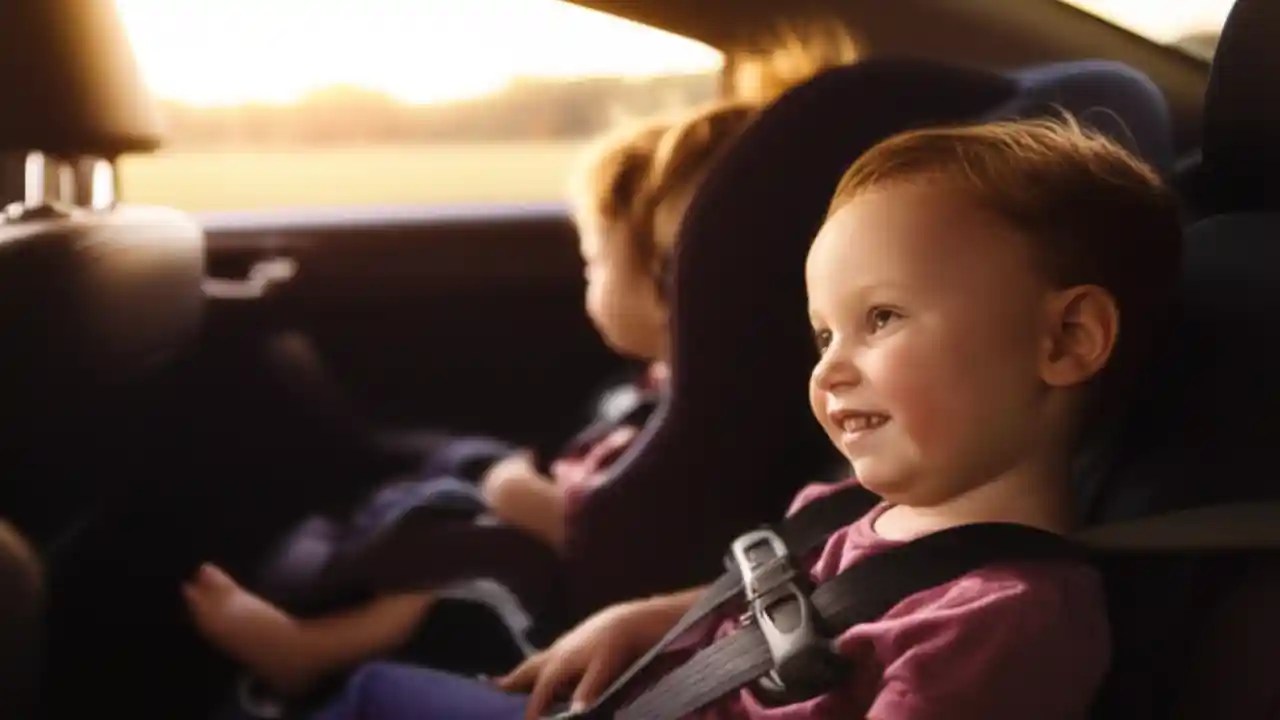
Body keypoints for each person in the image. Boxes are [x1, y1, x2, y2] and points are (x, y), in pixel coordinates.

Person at [308, 116, 1183, 720]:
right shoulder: (852, 511)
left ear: (1066, 339)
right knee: (375, 691)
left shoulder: (1008, 622)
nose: (831, 367)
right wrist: (643, 620)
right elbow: (770, 612)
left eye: (882, 319)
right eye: (824, 332)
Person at [182, 99, 759, 698]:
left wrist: (513, 489)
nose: (586, 278)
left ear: (673, 281)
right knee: (452, 492)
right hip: (575, 549)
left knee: (481, 557)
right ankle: (335, 573)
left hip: (587, 590)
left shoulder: (703, 418)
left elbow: (610, 538)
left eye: (594, 263)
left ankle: (309, 652)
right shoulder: (660, 386)